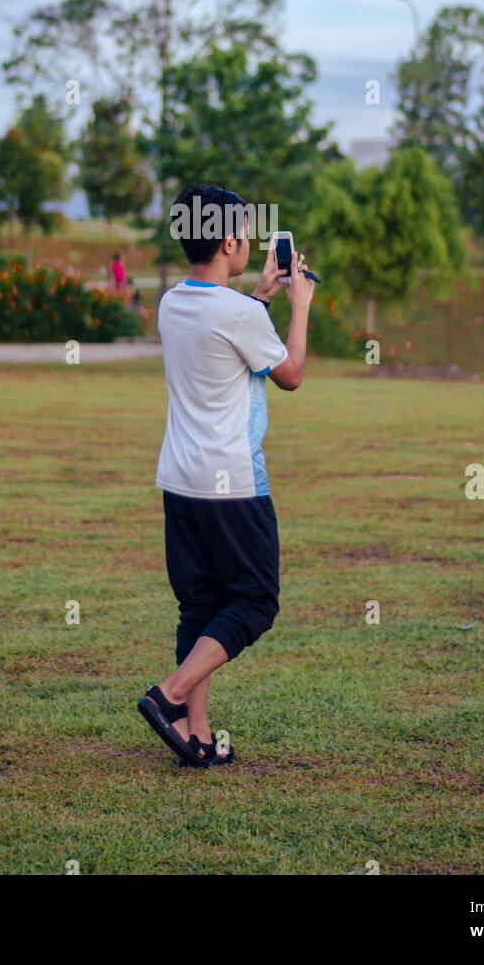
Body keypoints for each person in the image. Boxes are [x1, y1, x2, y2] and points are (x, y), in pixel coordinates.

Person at [137, 183, 315, 767]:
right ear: (232, 240)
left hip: (180, 478)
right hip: (232, 481)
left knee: (200, 603)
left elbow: (225, 336)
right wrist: (299, 305)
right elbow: (288, 373)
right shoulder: (239, 314)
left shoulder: (171, 303)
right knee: (256, 601)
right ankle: (171, 695)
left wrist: (260, 293)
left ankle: (198, 735)